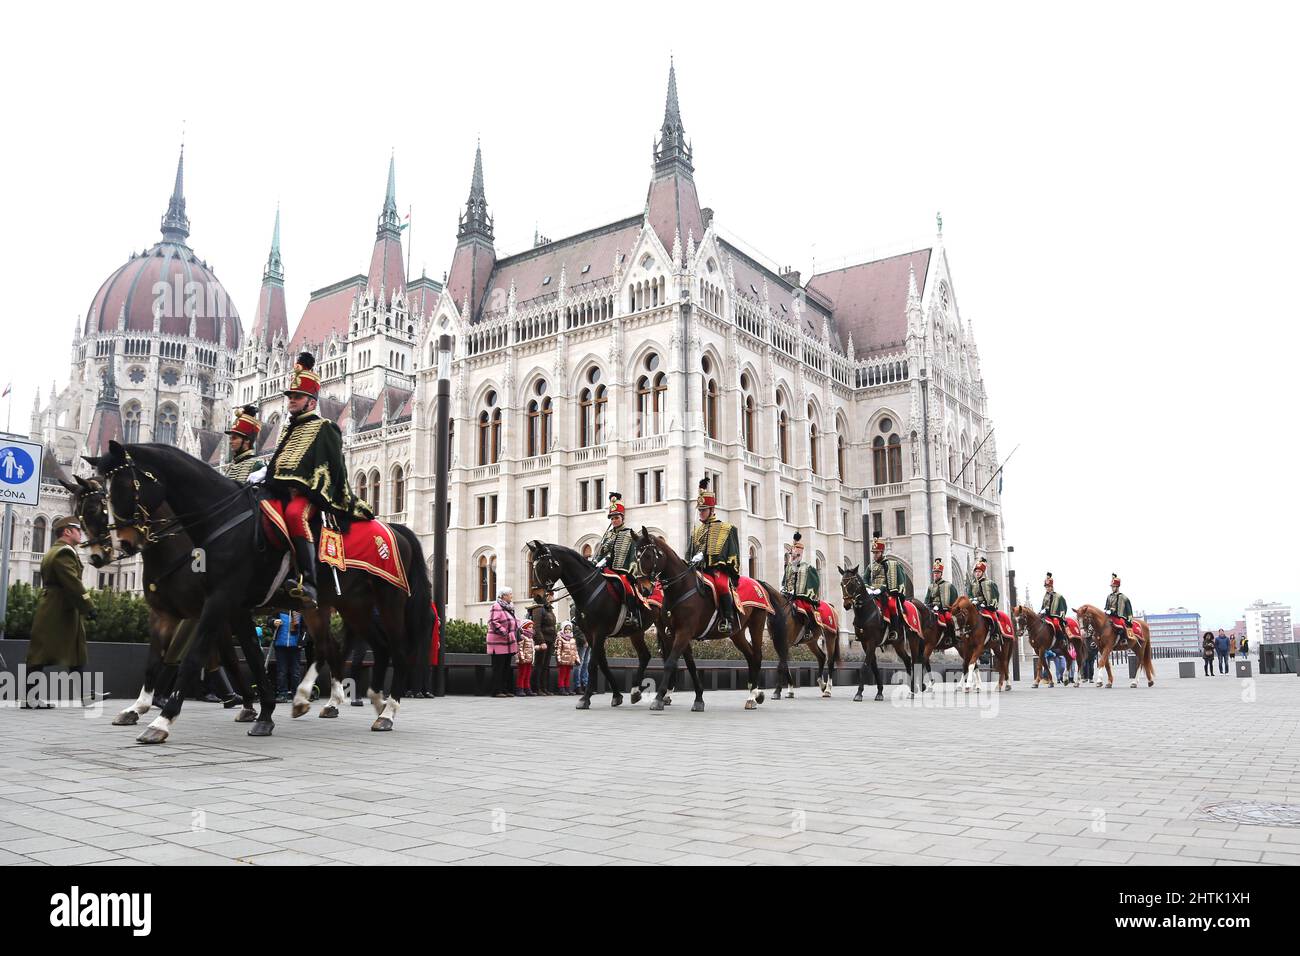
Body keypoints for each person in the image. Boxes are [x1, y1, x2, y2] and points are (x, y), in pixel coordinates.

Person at [263, 352, 372, 607]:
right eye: (290, 396)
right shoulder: (287, 431)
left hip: (312, 496)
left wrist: (309, 489)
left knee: (294, 515)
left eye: (297, 397)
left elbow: (333, 468)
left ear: (311, 402)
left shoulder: (324, 427)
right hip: (282, 493)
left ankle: (309, 582)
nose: (291, 401)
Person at [25, 516, 95, 707]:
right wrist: (88, 606)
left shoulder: (54, 551)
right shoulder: (64, 553)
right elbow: (72, 582)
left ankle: (85, 695)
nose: (80, 533)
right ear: (67, 532)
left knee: (73, 651)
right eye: (77, 530)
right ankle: (31, 698)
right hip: (60, 608)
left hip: (55, 606)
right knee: (43, 653)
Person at [688, 479, 740, 634]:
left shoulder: (726, 528)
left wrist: (722, 564)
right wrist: (692, 559)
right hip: (699, 570)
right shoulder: (696, 531)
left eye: (704, 510)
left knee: (722, 586)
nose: (701, 513)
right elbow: (689, 553)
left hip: (717, 569)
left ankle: (728, 619)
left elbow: (732, 553)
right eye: (700, 510)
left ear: (712, 509)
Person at [595, 492, 642, 629]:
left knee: (625, 586)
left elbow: (634, 555)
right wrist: (596, 562)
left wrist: (631, 570)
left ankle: (632, 614)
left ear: (622, 518)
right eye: (612, 518)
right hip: (605, 569)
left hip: (622, 570)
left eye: (616, 517)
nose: (614, 520)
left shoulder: (629, 533)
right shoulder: (608, 535)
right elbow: (601, 554)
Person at [866, 537, 907, 643]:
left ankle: (894, 630)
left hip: (887, 593)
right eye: (873, 553)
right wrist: (869, 588)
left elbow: (887, 580)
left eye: (877, 553)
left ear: (881, 552)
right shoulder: (871, 566)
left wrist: (881, 589)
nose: (874, 555)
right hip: (873, 592)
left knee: (893, 606)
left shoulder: (890, 564)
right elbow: (865, 578)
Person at [781, 532, 820, 630]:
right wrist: (783, 588)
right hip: (788, 594)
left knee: (805, 609)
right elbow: (785, 580)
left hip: (801, 596)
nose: (792, 557)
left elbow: (813, 584)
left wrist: (802, 593)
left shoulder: (807, 568)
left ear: (800, 554)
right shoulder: (789, 567)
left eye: (794, 555)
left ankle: (810, 629)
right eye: (791, 555)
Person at [488, 586, 520, 698]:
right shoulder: (496, 606)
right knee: (499, 667)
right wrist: (505, 632)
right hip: (498, 643)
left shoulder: (509, 607)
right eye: (510, 594)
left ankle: (505, 689)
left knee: (506, 667)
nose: (511, 596)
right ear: (504, 596)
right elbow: (493, 622)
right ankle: (496, 690)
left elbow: (513, 621)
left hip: (508, 643)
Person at [223, 404, 263, 482]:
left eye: (234, 438)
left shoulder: (257, 466)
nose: (230, 442)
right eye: (230, 438)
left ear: (247, 440)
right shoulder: (231, 466)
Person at [528, 589, 557, 696]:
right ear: (547, 596)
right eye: (551, 595)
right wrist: (541, 641)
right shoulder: (538, 608)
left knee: (546, 665)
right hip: (543, 641)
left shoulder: (549, 609)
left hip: (550, 641)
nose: (553, 598)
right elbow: (536, 627)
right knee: (539, 664)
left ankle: (544, 687)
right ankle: (536, 688)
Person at [924, 558, 958, 640]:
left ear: (941, 574)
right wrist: (930, 605)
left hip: (945, 609)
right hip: (932, 608)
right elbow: (927, 600)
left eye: (938, 573)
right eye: (935, 573)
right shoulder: (931, 586)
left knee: (948, 618)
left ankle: (952, 638)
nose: (936, 574)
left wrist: (948, 608)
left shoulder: (949, 586)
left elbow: (955, 600)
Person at [272, 611, 302, 703]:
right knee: (281, 671)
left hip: (295, 646)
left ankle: (296, 695)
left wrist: (302, 641)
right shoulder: (278, 610)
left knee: (295, 672)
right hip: (280, 645)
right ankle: (282, 694)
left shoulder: (300, 611)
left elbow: (305, 628)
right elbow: (269, 620)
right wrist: (273, 622)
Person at [1040, 572, 1069, 646]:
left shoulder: (1059, 596)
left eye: (1048, 587)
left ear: (1052, 587)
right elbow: (1042, 606)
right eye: (1046, 587)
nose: (1047, 588)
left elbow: (1063, 608)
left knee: (1056, 624)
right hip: (1046, 615)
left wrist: (1060, 616)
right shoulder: (1045, 596)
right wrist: (1041, 611)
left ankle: (1062, 639)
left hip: (1055, 616)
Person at [1103, 573, 1133, 639]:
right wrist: (1108, 611)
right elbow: (1106, 607)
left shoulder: (1123, 597)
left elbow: (1129, 610)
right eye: (1112, 587)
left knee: (1121, 626)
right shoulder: (1109, 596)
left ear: (1117, 587)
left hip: (1119, 616)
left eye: (1114, 587)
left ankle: (1123, 639)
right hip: (1110, 615)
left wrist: (1129, 619)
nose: (1112, 588)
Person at [556, 621, 579, 696]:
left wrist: (577, 659)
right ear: (563, 629)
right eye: (566, 629)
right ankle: (561, 688)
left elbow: (575, 650)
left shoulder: (572, 640)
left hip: (570, 660)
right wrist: (559, 658)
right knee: (562, 674)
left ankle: (567, 687)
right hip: (563, 660)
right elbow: (558, 649)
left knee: (568, 675)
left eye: (569, 629)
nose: (567, 631)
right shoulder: (560, 638)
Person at [515, 620, 536, 698]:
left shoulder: (531, 638)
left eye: (532, 627)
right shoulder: (522, 637)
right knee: (522, 674)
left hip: (529, 660)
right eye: (529, 627)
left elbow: (532, 649)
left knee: (528, 674)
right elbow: (520, 648)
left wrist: (532, 659)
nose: (531, 629)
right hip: (523, 660)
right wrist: (522, 658)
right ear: (524, 627)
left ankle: (527, 688)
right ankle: (520, 688)